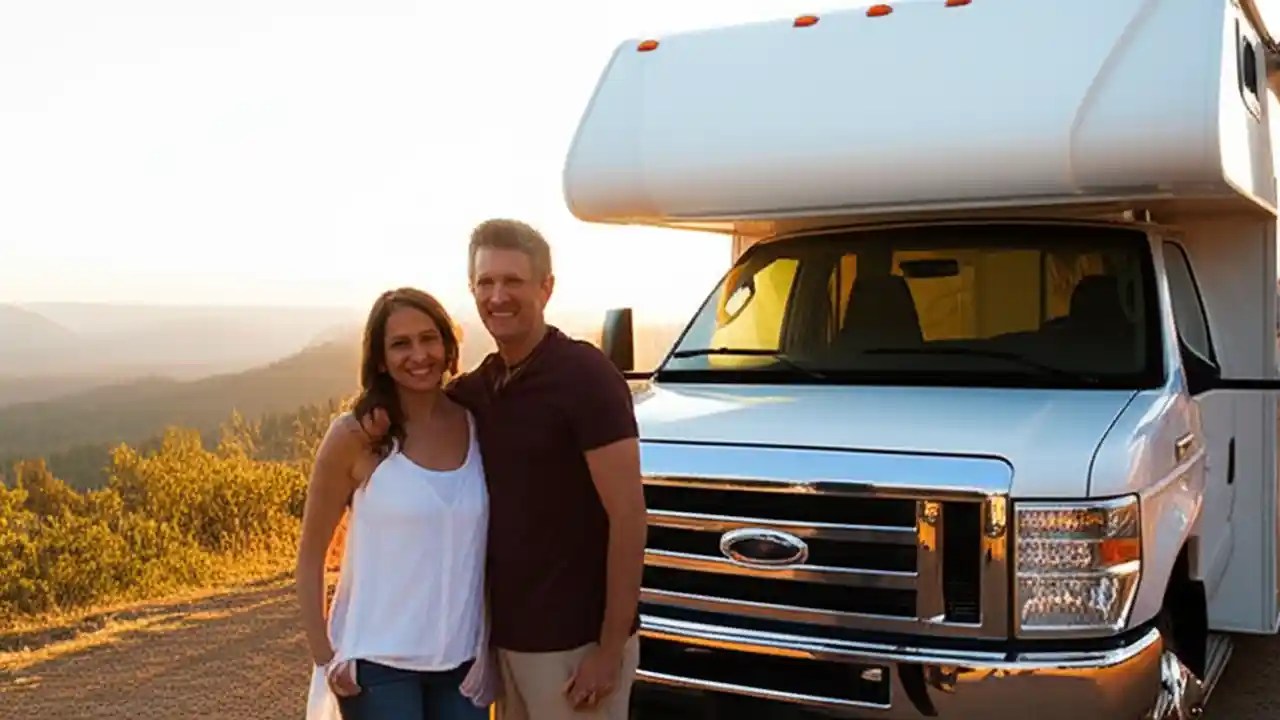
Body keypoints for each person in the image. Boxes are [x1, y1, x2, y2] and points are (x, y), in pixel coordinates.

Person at [362, 218, 648, 720]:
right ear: (472, 289)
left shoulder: (586, 377)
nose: (497, 296)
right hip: (500, 643)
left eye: (513, 280)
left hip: (574, 646)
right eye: (486, 282)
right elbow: (420, 410)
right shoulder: (479, 390)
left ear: (546, 287)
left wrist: (609, 650)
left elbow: (629, 517)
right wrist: (373, 405)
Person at [295, 287, 498, 720]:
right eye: (401, 344)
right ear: (380, 359)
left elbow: (481, 551)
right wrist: (325, 656)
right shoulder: (355, 436)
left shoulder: (475, 424)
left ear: (448, 345)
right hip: (378, 669)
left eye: (429, 338)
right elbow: (311, 555)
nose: (419, 355)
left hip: (462, 667)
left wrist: (486, 647)